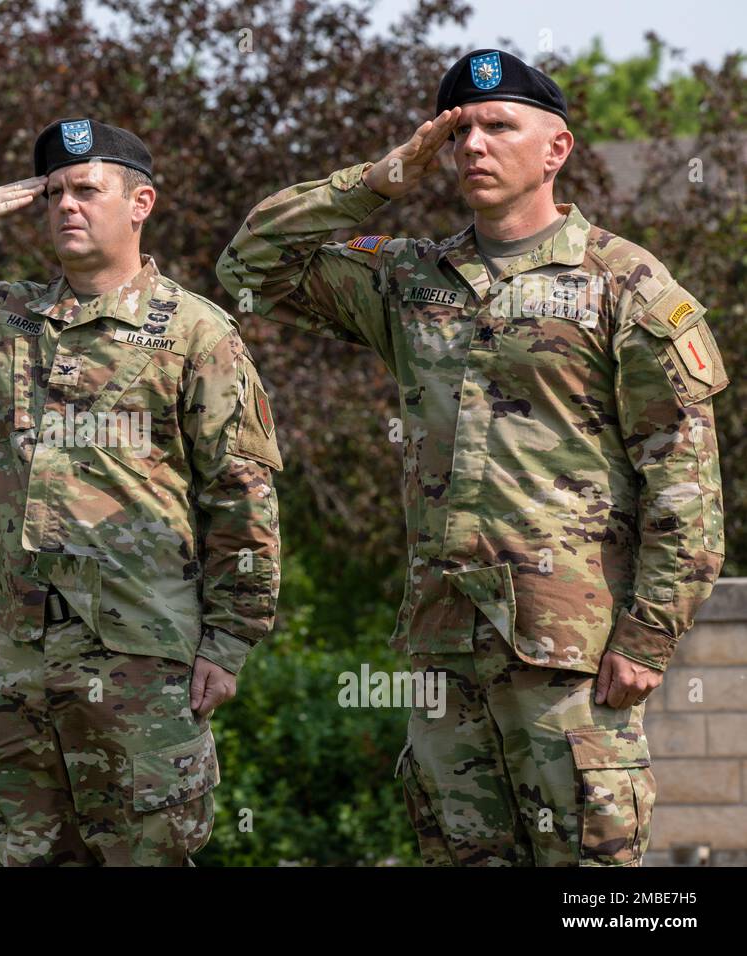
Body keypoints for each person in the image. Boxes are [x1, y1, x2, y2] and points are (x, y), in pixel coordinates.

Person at [216, 50, 727, 866]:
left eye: (499, 126)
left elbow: (685, 482)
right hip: (444, 648)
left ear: (555, 148)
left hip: (574, 655)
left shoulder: (621, 283)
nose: (476, 146)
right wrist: (379, 179)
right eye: (460, 133)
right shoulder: (413, 278)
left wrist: (648, 637)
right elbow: (249, 268)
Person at [0, 118, 282, 865]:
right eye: (53, 193)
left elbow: (242, 494)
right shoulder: (1, 316)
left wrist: (231, 640)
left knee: (149, 850)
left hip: (142, 652)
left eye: (87, 190)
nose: (67, 205)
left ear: (141, 203)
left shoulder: (196, 333)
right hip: (23, 654)